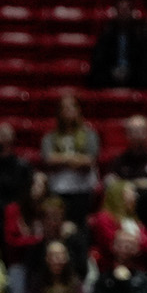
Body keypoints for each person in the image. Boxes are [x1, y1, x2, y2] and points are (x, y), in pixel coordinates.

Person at [40, 91, 101, 224]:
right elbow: (49, 159)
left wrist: (62, 159)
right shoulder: (50, 137)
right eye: (64, 108)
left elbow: (90, 160)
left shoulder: (89, 135)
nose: (68, 111)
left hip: (82, 189)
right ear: (59, 112)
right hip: (58, 188)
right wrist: (74, 159)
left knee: (79, 224)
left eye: (72, 107)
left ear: (78, 110)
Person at [90, 1, 147, 89]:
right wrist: (113, 72)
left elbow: (146, 60)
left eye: (126, 10)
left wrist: (130, 73)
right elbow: (99, 59)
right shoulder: (106, 35)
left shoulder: (141, 36)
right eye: (121, 10)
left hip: (135, 77)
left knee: (146, 76)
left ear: (131, 13)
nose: (123, 13)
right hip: (110, 76)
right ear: (116, 13)